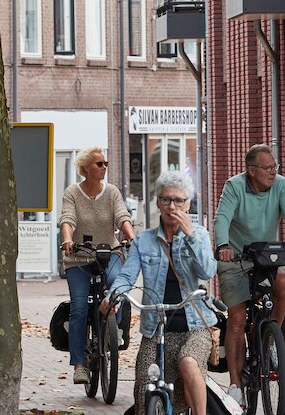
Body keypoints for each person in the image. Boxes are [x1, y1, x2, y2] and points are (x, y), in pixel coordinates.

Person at [104, 170, 216, 415]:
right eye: (166, 199)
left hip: (195, 327)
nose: (172, 206)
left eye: (178, 200)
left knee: (189, 362)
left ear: (188, 204)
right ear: (158, 202)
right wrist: (113, 296)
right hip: (156, 328)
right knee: (144, 386)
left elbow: (208, 271)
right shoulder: (143, 241)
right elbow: (126, 276)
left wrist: (190, 235)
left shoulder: (199, 235)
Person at [214, 144, 285, 406]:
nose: (272, 172)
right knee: (237, 319)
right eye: (267, 168)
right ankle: (235, 385)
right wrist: (222, 246)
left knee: (282, 281)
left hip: (267, 255)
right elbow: (222, 218)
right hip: (235, 258)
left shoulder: (281, 185)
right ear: (251, 171)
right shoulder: (234, 186)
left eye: (274, 167)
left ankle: (271, 339)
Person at [59, 146, 135, 386]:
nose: (104, 167)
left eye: (105, 163)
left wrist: (132, 237)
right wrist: (68, 239)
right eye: (99, 164)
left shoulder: (111, 192)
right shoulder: (72, 192)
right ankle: (79, 364)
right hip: (79, 257)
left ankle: (113, 330)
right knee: (79, 307)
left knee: (117, 286)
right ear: (85, 170)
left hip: (108, 254)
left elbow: (122, 217)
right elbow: (68, 219)